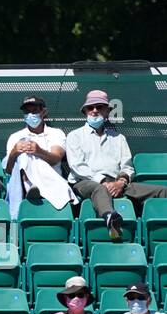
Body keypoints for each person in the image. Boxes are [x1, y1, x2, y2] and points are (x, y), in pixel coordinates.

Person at [66, 89, 167, 239]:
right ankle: (110, 217)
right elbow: (77, 166)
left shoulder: (119, 137)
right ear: (85, 111)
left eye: (99, 107)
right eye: (91, 107)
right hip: (85, 183)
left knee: (162, 191)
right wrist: (103, 181)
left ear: (107, 111)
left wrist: (121, 182)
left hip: (116, 183)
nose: (95, 110)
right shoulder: (75, 136)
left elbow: (126, 166)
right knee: (99, 188)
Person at [3, 95, 75, 220]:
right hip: (24, 188)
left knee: (29, 155)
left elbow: (56, 157)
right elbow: (9, 170)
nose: (30, 115)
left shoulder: (56, 133)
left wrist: (39, 151)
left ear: (44, 112)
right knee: (23, 156)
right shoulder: (15, 137)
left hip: (52, 181)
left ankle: (36, 188)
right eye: (27, 112)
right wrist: (14, 152)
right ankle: (31, 188)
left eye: (34, 111)